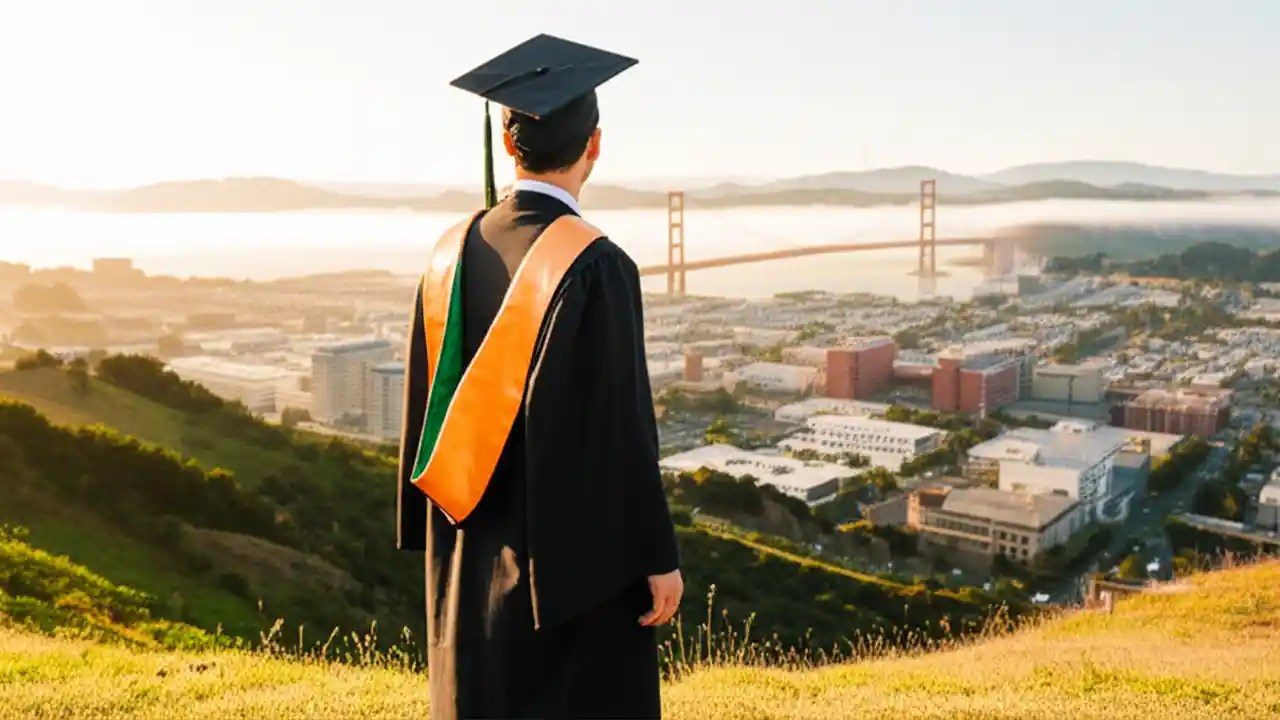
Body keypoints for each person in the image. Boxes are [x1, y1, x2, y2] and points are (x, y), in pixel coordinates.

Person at [396, 34, 683, 719]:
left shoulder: (451, 253)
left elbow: (423, 406)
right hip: (568, 568)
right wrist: (657, 554)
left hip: (466, 543)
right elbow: (619, 429)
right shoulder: (596, 264)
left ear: (508, 141)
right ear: (595, 146)